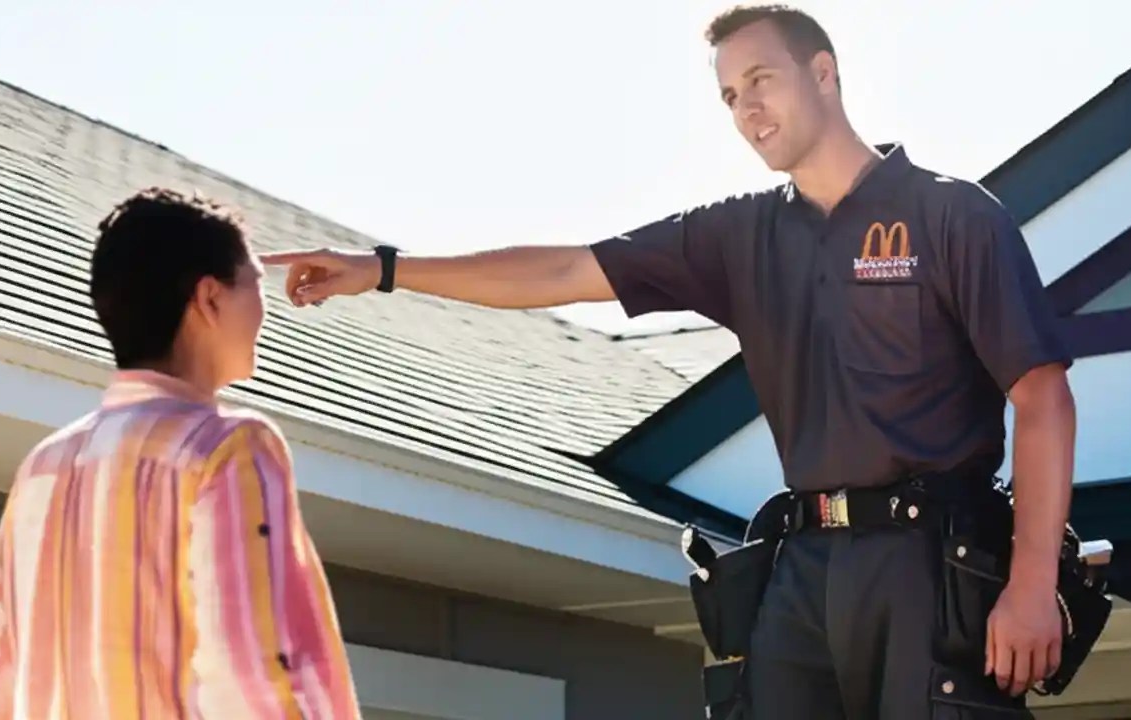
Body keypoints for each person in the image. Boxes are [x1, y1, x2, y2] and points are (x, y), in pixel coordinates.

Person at [263, 4, 1078, 717]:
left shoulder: (953, 216)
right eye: (729, 95)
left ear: (823, 73)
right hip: (802, 569)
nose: (746, 108)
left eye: (760, 79)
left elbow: (1042, 397)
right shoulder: (737, 237)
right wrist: (386, 270)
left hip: (932, 563)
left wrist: (1033, 582)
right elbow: (563, 270)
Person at [0, 188, 362, 719]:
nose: (265, 309)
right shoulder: (227, 448)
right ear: (210, 298)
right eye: (255, 284)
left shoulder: (43, 468)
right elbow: (259, 675)